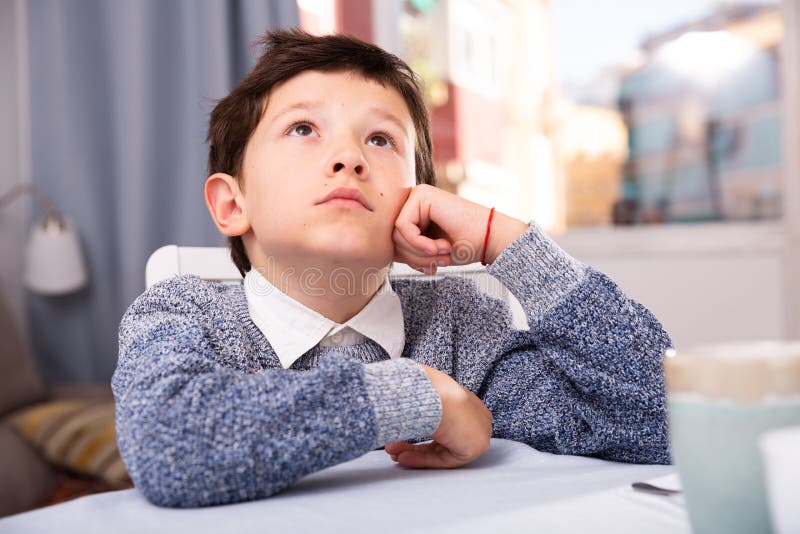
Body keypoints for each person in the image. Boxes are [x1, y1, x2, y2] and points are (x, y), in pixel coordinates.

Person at [112, 29, 674, 508]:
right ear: (233, 205)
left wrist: (506, 241)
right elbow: (169, 445)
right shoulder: (185, 313)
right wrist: (418, 394)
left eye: (380, 139)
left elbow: (661, 424)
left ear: (419, 198)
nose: (350, 157)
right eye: (304, 129)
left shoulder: (461, 330)